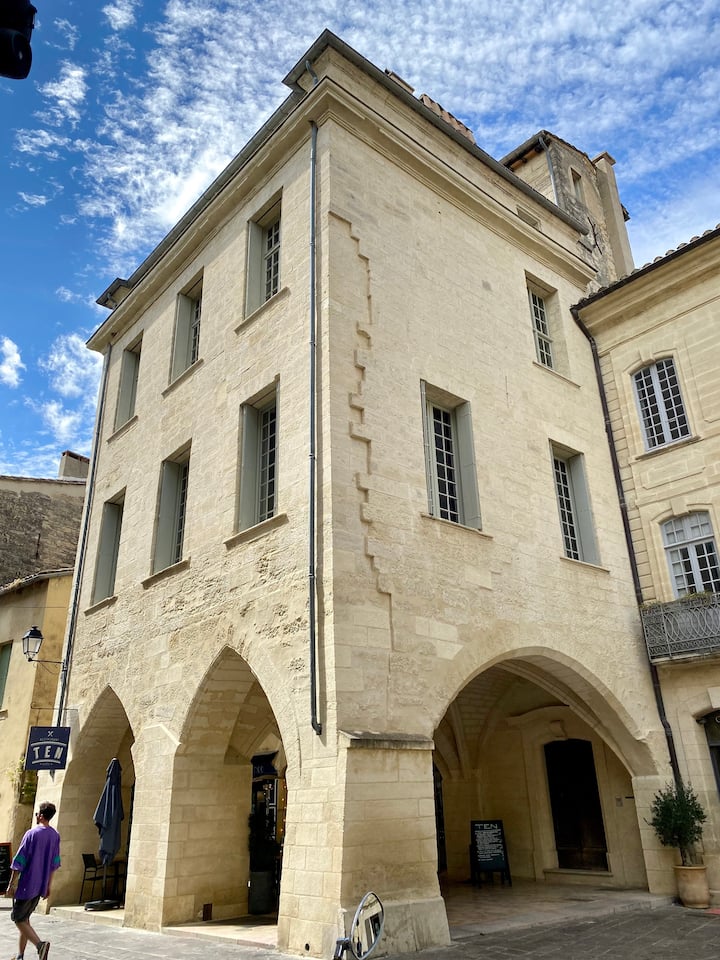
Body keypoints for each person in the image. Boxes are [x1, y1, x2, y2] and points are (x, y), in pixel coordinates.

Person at [3, 801, 61, 960]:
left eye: (37, 814)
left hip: (27, 884)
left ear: (41, 815)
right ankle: (20, 955)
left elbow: (19, 860)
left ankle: (40, 945)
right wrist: (48, 886)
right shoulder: (55, 836)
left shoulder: (31, 834)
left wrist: (11, 884)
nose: (36, 816)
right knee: (25, 920)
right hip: (40, 885)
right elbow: (54, 863)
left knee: (18, 918)